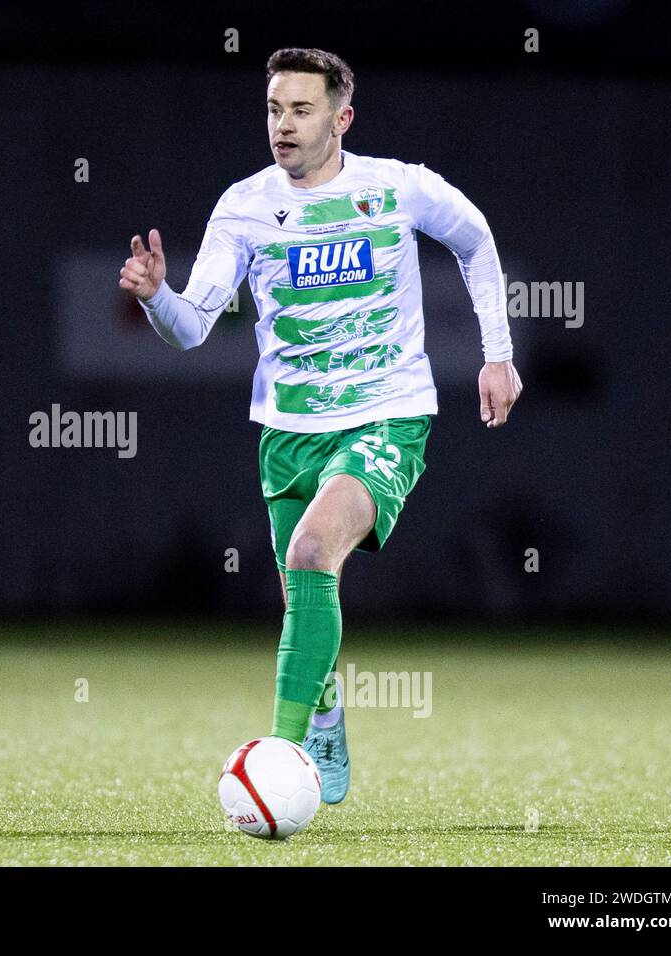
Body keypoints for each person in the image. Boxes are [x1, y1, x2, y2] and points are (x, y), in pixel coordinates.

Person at [118, 48, 522, 804]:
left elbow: (475, 240)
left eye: (302, 110)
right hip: (287, 431)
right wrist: (154, 297)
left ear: (342, 118)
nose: (284, 125)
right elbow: (193, 326)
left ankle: (277, 757)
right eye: (274, 109)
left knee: (311, 548)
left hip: (387, 413)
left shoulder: (396, 188)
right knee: (305, 588)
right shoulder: (243, 206)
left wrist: (497, 355)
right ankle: (327, 710)